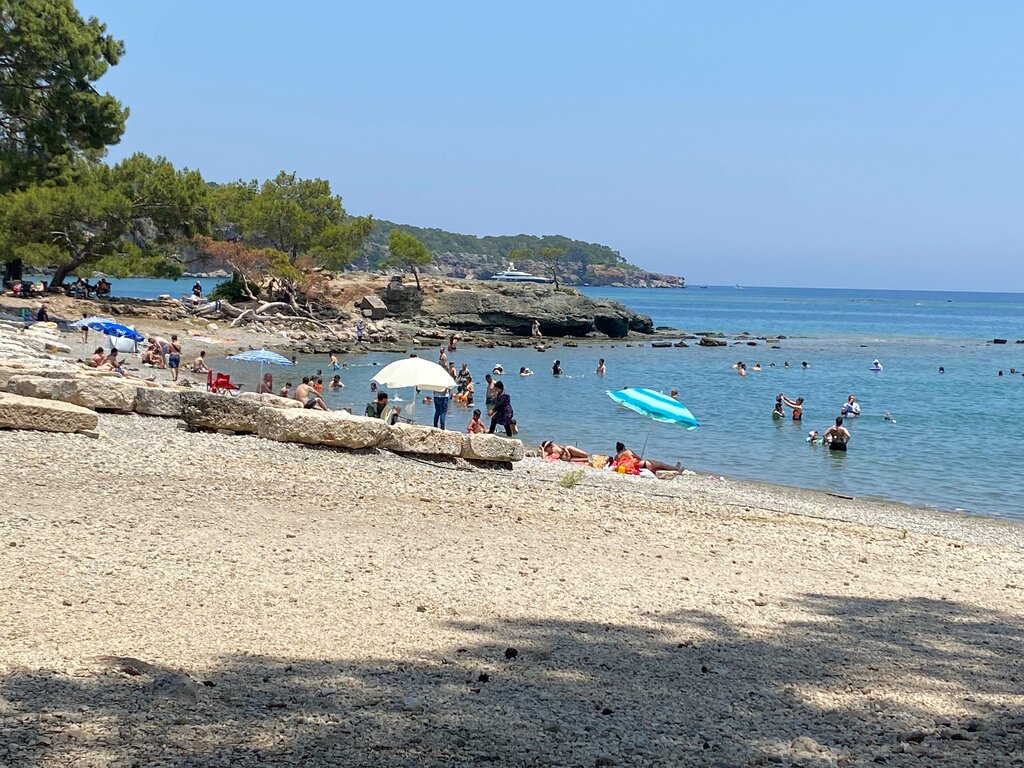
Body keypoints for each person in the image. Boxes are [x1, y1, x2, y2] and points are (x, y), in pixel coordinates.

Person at [613, 442, 681, 473]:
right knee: (662, 465)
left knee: (659, 469)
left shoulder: (616, 457)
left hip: (640, 468)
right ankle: (676, 468)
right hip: (644, 464)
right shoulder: (628, 451)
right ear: (624, 448)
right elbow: (639, 458)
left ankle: (675, 470)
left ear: (617, 450)